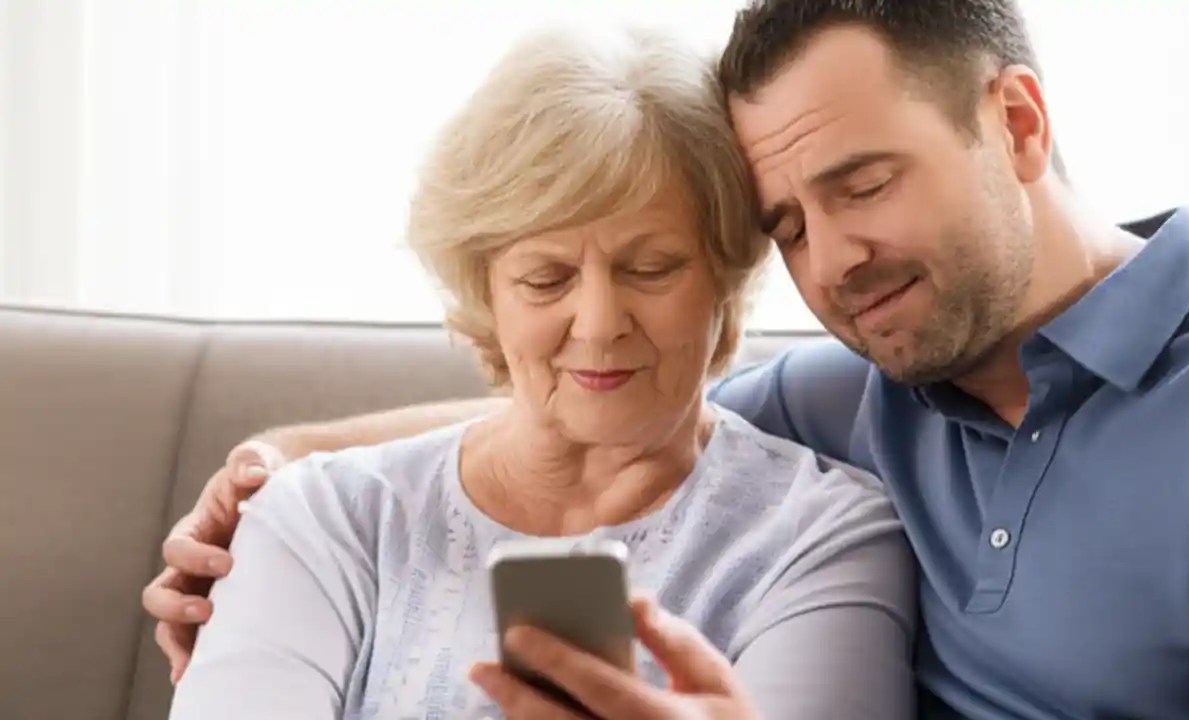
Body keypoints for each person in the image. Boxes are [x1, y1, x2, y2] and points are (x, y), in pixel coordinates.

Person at [147, 0, 1189, 717]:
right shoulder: (862, 392)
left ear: (1018, 123)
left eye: (864, 183)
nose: (832, 261)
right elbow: (594, 407)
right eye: (787, 223)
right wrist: (278, 463)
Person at [161, 23, 915, 720]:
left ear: (724, 275)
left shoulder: (824, 537)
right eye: (546, 279)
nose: (598, 323)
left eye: (650, 269)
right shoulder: (324, 519)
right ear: (485, 293)